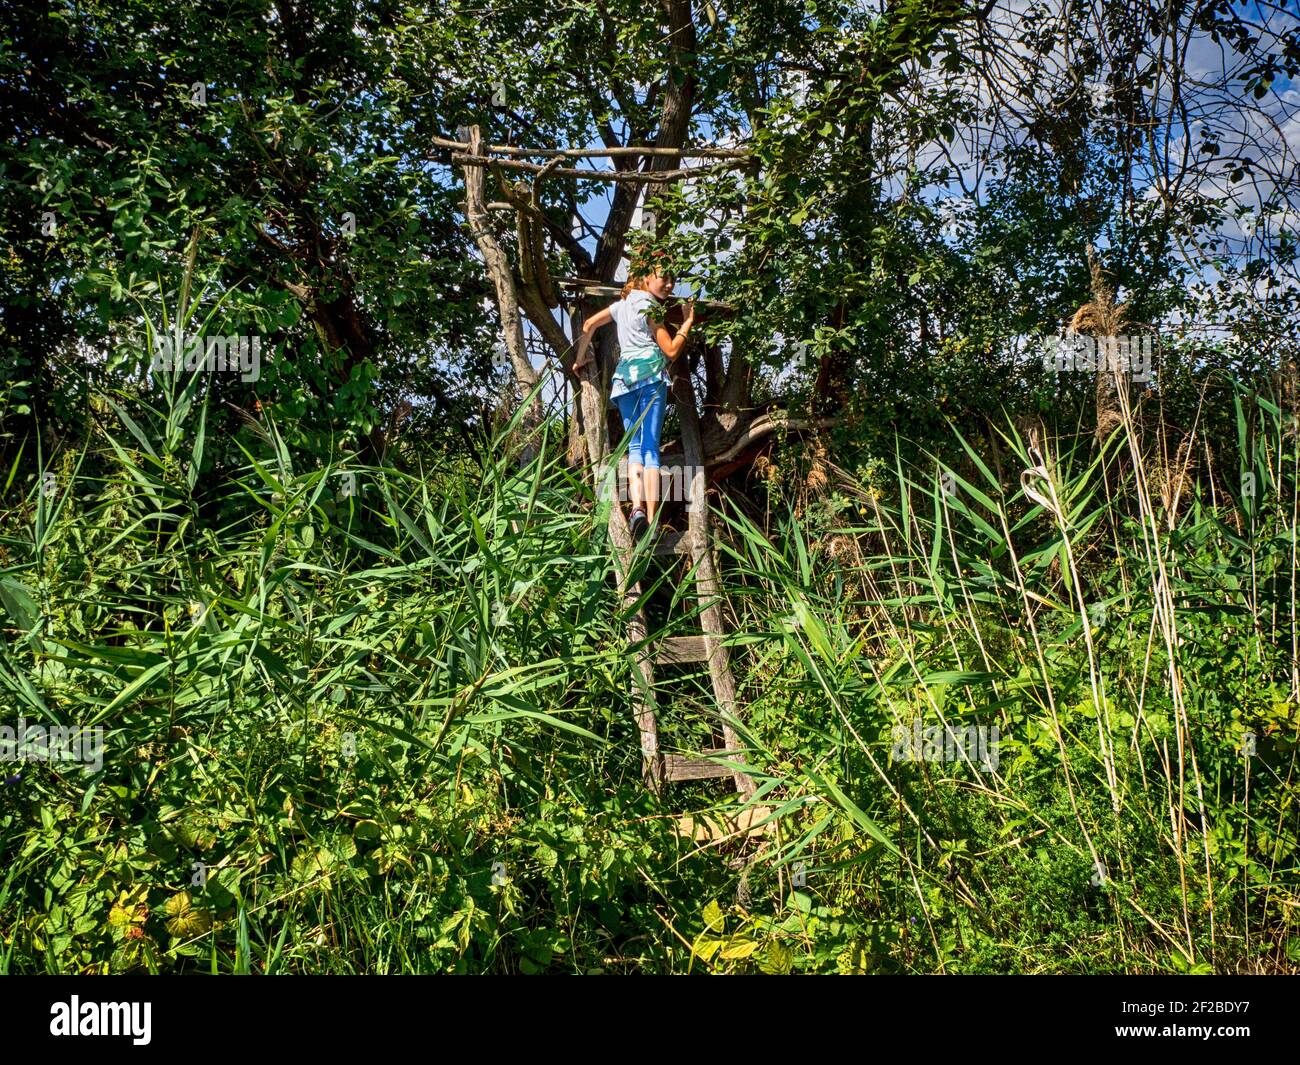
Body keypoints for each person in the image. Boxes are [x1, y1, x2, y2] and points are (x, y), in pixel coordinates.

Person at [572, 263, 695, 541]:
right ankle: (650, 522)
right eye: (664, 278)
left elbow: (589, 324)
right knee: (651, 450)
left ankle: (637, 510)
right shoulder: (652, 309)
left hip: (624, 381)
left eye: (673, 279)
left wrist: (580, 359)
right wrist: (687, 322)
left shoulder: (622, 305)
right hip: (650, 378)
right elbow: (672, 350)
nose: (670, 285)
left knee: (634, 447)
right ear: (646, 278)